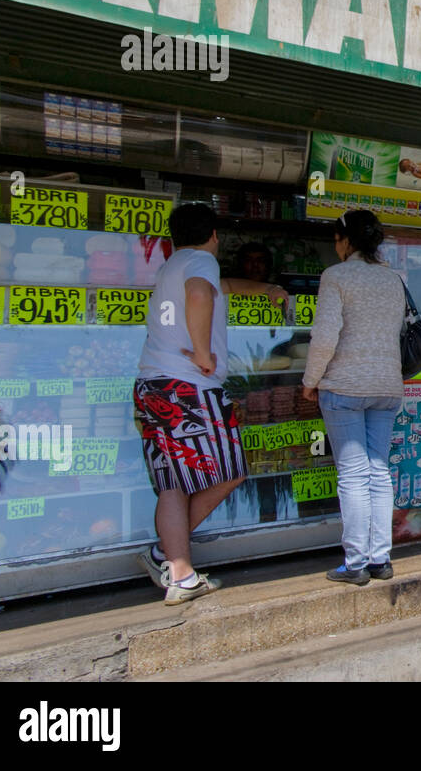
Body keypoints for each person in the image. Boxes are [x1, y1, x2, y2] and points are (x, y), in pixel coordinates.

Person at [134, 203, 287, 604]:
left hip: (153, 384)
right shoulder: (202, 261)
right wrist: (204, 354)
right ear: (214, 236)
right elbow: (202, 292)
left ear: (172, 237)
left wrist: (267, 289)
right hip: (188, 387)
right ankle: (169, 555)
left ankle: (177, 569)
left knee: (172, 482)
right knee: (231, 472)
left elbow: (223, 287)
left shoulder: (171, 264)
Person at [301, 211, 406, 585]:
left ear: (345, 241)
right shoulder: (393, 278)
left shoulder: (337, 276)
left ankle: (356, 563)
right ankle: (381, 559)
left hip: (344, 387)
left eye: (336, 239)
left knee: (353, 475)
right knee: (379, 471)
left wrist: (310, 380)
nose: (336, 246)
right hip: (387, 386)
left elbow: (325, 337)